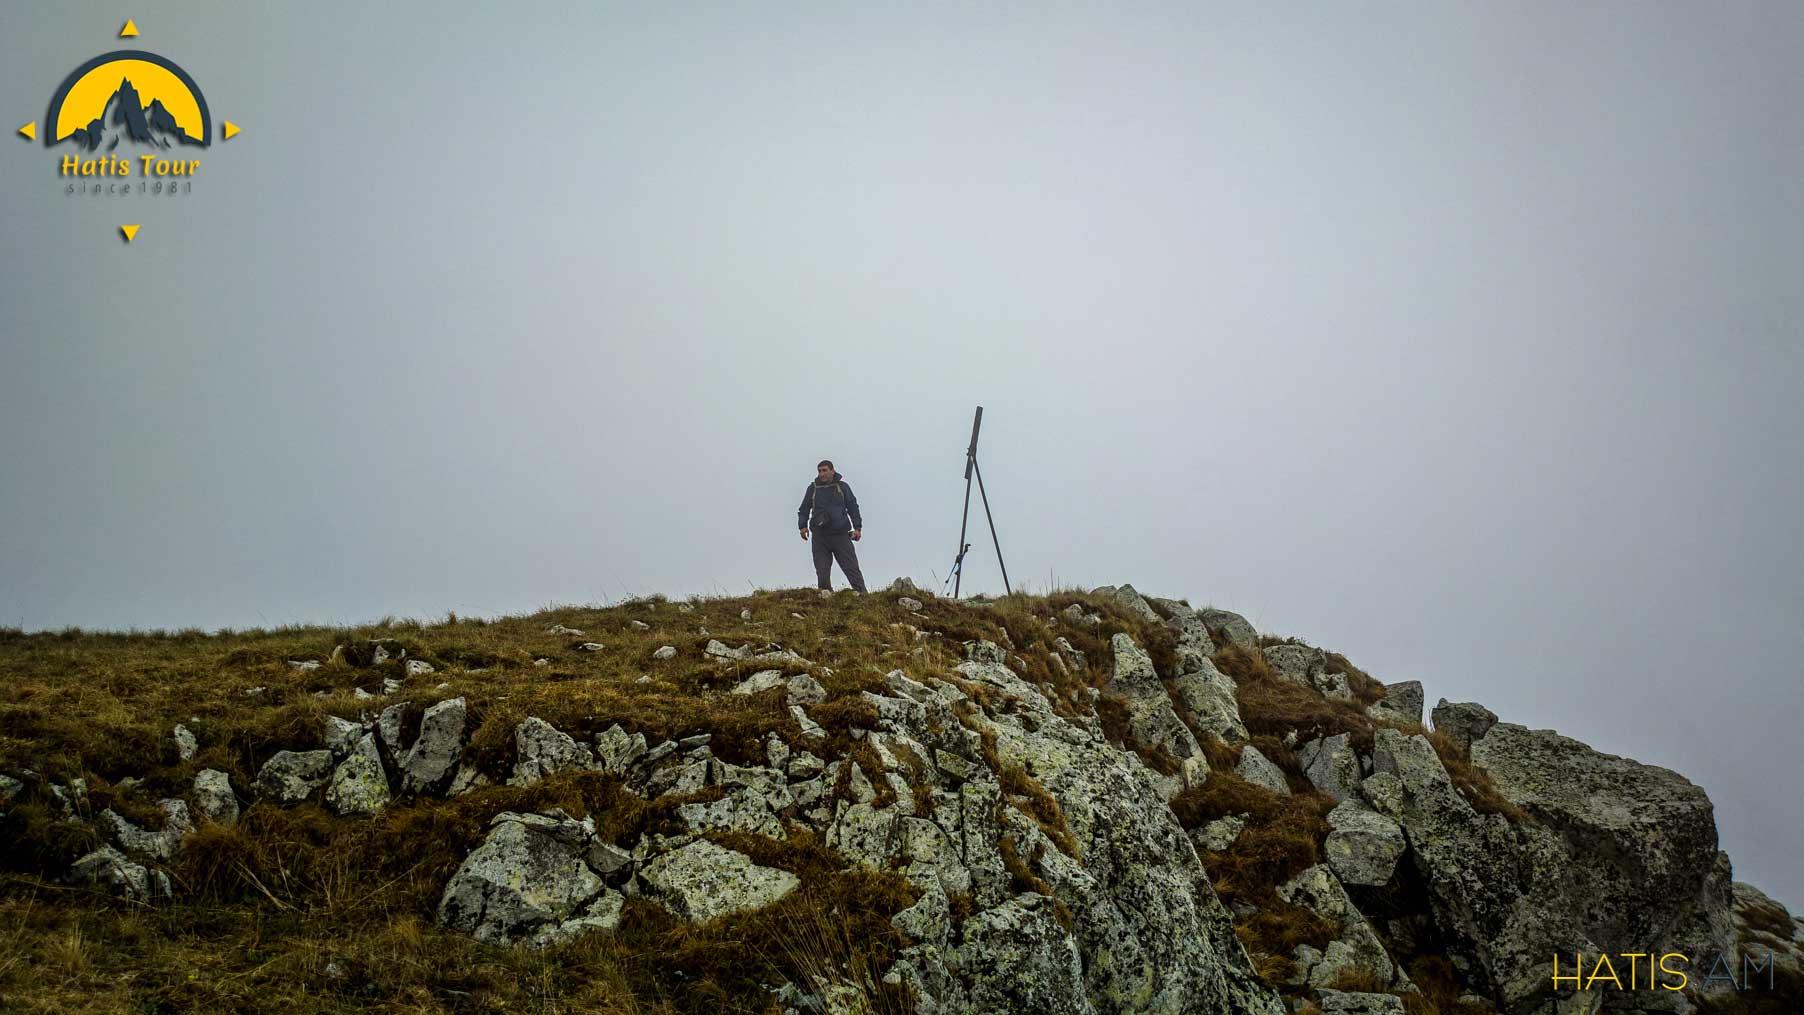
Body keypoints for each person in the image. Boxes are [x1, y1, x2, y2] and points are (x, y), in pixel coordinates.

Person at [797, 459, 867, 592]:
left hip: (841, 535)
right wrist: (802, 526)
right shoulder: (813, 488)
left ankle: (863, 597)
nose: (822, 474)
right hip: (820, 537)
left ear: (832, 470)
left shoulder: (843, 487)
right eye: (819, 471)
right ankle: (826, 600)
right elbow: (804, 509)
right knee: (822, 572)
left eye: (825, 470)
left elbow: (853, 507)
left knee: (851, 569)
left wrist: (857, 528)